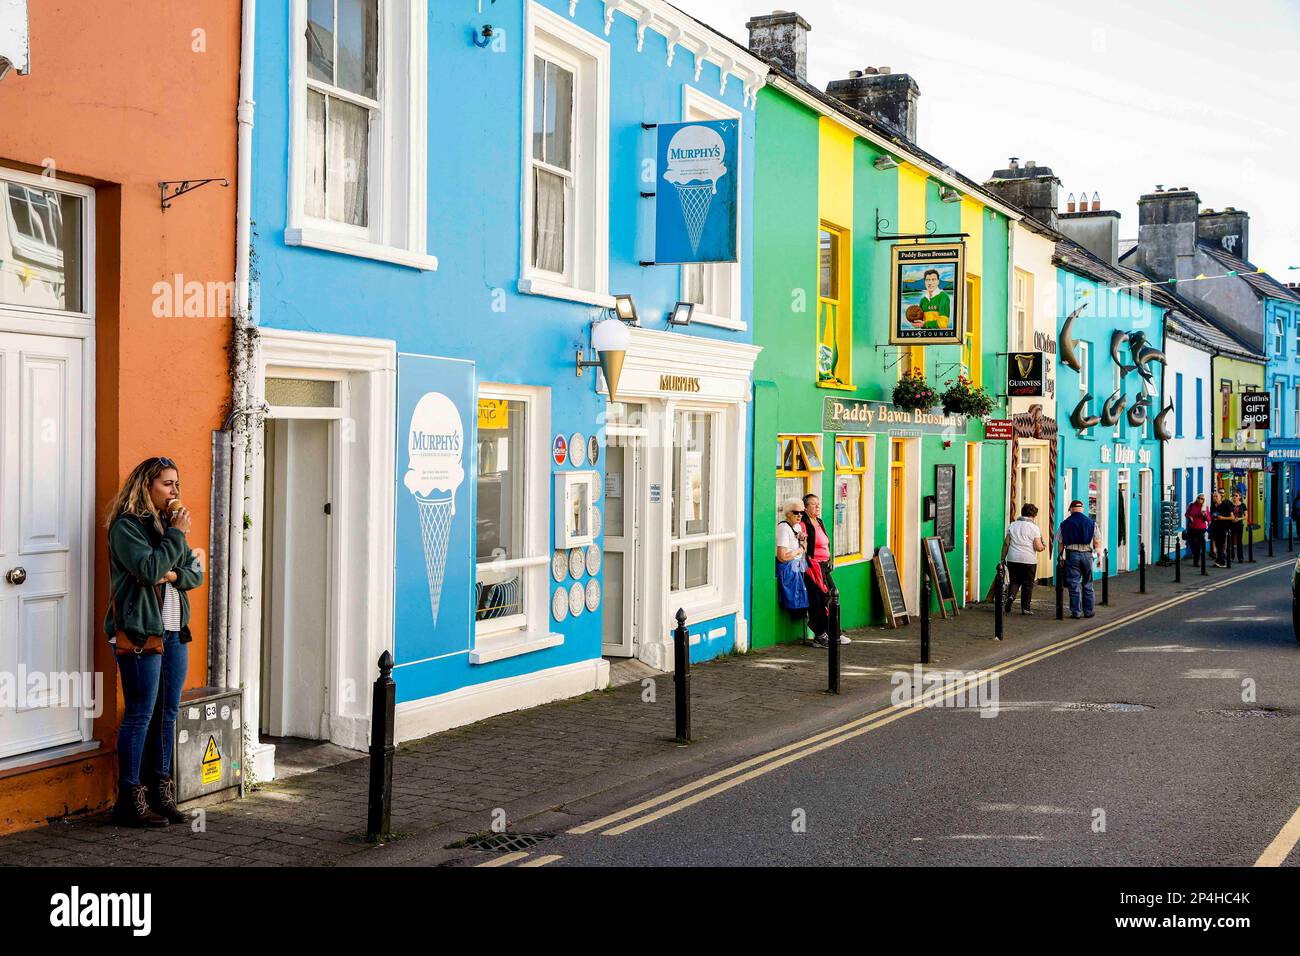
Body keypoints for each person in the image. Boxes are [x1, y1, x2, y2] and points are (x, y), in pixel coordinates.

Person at [104, 457, 203, 827]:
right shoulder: (126, 527)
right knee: (140, 714)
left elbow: (193, 573)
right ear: (146, 486)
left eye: (177, 484)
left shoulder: (167, 525)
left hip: (175, 631)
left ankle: (161, 791)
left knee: (167, 713)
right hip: (141, 632)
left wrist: (173, 571)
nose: (175, 492)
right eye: (167, 484)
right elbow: (147, 570)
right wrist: (174, 538)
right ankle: (129, 798)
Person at [801, 494, 849, 646]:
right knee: (820, 599)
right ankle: (821, 634)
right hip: (813, 567)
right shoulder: (804, 523)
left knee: (832, 595)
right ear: (805, 507)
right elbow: (804, 546)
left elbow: (825, 543)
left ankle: (834, 632)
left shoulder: (819, 522)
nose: (817, 506)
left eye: (818, 503)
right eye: (813, 504)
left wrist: (829, 559)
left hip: (824, 566)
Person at [1058, 500, 1101, 620]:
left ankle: (1076, 612)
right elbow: (1097, 541)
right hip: (1087, 555)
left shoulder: (1065, 524)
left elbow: (1060, 543)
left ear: (1071, 509)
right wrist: (1098, 556)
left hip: (1072, 555)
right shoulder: (1091, 523)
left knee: (1074, 584)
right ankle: (1089, 611)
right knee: (1088, 583)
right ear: (1082, 509)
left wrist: (1060, 556)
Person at [1001, 503, 1046, 615]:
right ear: (1033, 515)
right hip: (1028, 560)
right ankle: (1025, 608)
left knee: (1014, 580)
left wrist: (1002, 558)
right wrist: (1043, 547)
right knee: (1027, 583)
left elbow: (1006, 543)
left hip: (1013, 558)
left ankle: (1011, 596)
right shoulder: (1034, 528)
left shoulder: (1012, 525)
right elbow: (1037, 546)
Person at [776, 498, 810, 618]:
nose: (800, 515)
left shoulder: (798, 527)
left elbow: (803, 546)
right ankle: (799, 608)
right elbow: (782, 556)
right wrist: (800, 549)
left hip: (799, 564)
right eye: (796, 512)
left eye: (802, 512)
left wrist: (802, 540)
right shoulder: (783, 528)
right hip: (788, 567)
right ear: (788, 513)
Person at [1209, 490, 1234, 567]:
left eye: (1216, 496)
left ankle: (1222, 562)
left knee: (1221, 545)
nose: (1215, 498)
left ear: (1220, 497)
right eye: (1214, 496)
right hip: (1214, 527)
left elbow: (1232, 517)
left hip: (1223, 528)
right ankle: (1219, 561)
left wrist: (1222, 518)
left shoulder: (1226, 505)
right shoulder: (1213, 506)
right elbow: (1212, 516)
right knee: (1217, 545)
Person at [1183, 493, 1209, 567]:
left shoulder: (1205, 507)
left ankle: (1196, 561)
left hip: (1201, 528)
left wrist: (1205, 515)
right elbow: (1186, 514)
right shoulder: (1192, 505)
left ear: (1204, 500)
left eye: (1202, 499)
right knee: (1191, 542)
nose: (1200, 500)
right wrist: (1189, 517)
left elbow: (1209, 519)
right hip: (1192, 527)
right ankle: (1195, 554)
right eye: (1198, 498)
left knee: (1198, 544)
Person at [1230, 491, 1247, 561]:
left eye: (1236, 495)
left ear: (1239, 497)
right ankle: (1231, 557)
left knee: (1239, 541)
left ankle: (1240, 557)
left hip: (1239, 525)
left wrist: (1239, 518)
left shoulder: (1243, 505)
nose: (1234, 497)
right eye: (1233, 495)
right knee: (1231, 541)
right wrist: (1232, 519)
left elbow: (1246, 516)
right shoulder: (1230, 505)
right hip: (1231, 524)